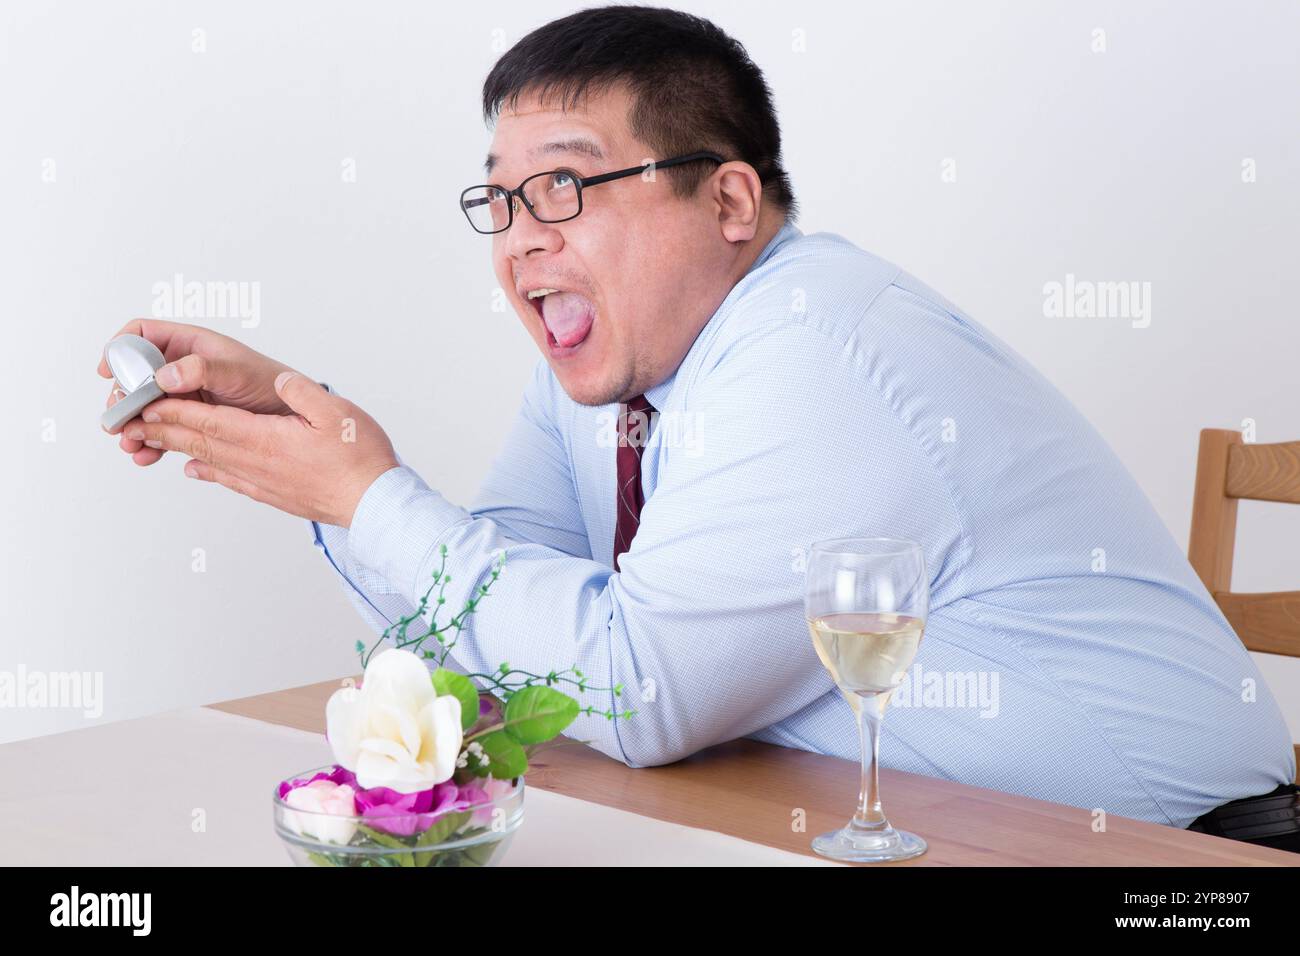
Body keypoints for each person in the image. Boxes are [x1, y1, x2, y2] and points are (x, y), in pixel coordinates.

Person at [99, 5, 1296, 840]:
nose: (521, 238)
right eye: (499, 200)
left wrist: (362, 493)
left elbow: (630, 694)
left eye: (564, 187)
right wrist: (306, 440)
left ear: (727, 196)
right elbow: (507, 662)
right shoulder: (604, 361)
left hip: (1183, 854)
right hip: (857, 821)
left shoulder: (813, 349)